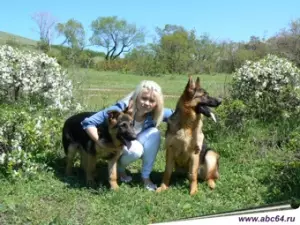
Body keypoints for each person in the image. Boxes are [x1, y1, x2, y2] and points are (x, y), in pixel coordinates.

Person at [81, 80, 174, 191]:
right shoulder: (120, 109)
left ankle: (145, 177)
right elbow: (88, 122)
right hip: (119, 141)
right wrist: (99, 142)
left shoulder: (157, 112)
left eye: (152, 101)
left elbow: (181, 114)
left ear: (157, 103)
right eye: (144, 98)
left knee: (155, 133)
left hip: (132, 140)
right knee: (135, 151)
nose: (147, 103)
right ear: (137, 96)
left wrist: (198, 132)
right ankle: (119, 170)